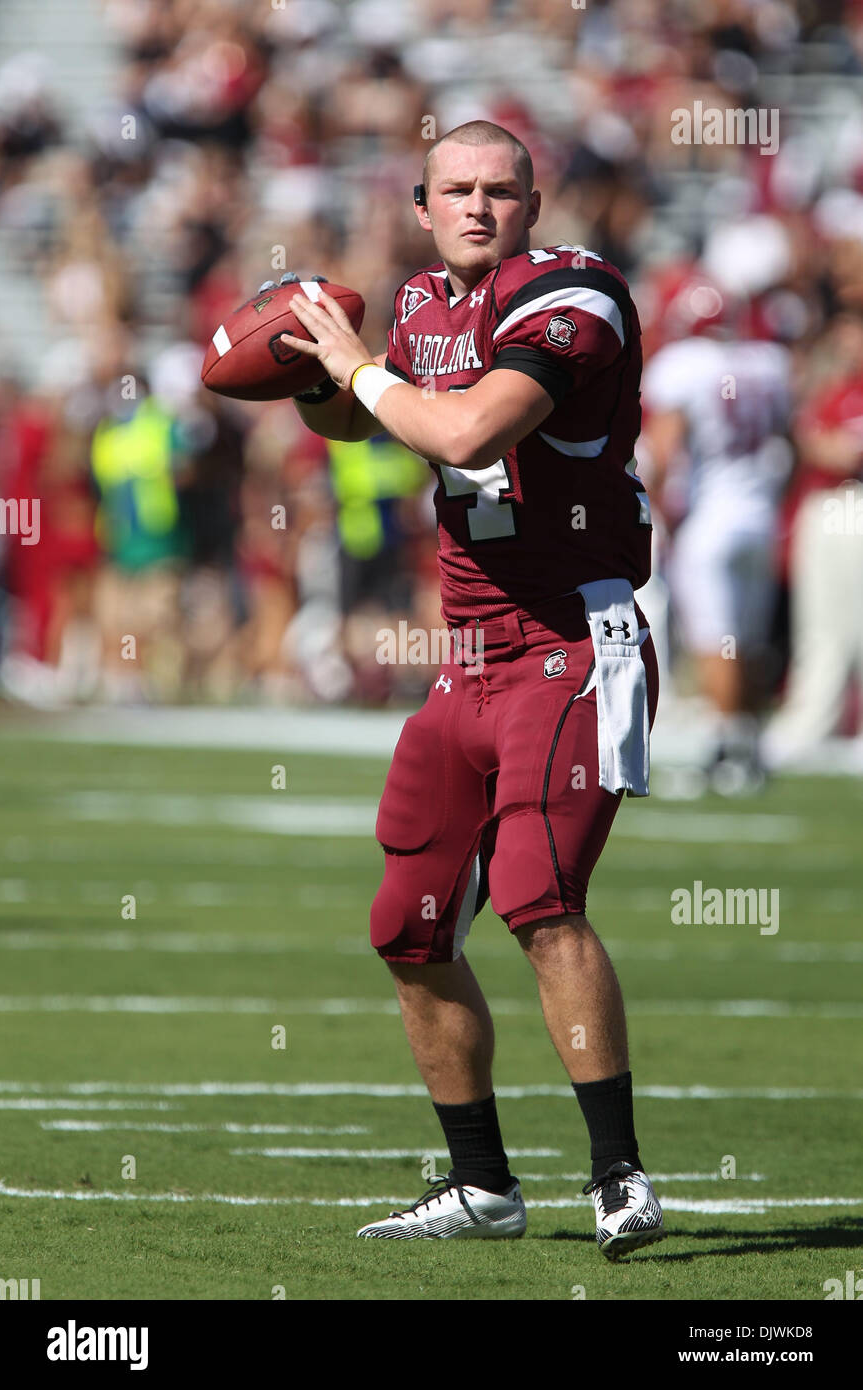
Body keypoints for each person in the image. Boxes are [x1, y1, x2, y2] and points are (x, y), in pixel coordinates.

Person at [274, 121, 664, 1258]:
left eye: (502, 191)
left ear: (534, 206)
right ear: (420, 202)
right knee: (408, 924)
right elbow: (363, 418)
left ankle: (617, 1177)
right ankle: (482, 1183)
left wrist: (355, 370)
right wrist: (310, 376)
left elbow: (461, 424)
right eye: (458, 190)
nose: (479, 208)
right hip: (469, 655)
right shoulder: (419, 304)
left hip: (568, 645)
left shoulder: (574, 296)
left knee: (542, 899)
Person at [641, 271, 793, 794]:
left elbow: (663, 453)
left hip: (711, 520)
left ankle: (727, 752)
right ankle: (749, 747)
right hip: (760, 515)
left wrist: (660, 510)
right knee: (747, 641)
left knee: (716, 640)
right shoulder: (768, 364)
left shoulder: (683, 366)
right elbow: (787, 444)